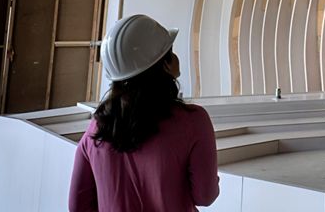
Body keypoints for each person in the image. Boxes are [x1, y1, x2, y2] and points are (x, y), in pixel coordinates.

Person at [69, 14, 219, 211]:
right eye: (170, 52)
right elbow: (205, 196)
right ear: (163, 64)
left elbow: (77, 206)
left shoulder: (97, 128)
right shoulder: (193, 121)